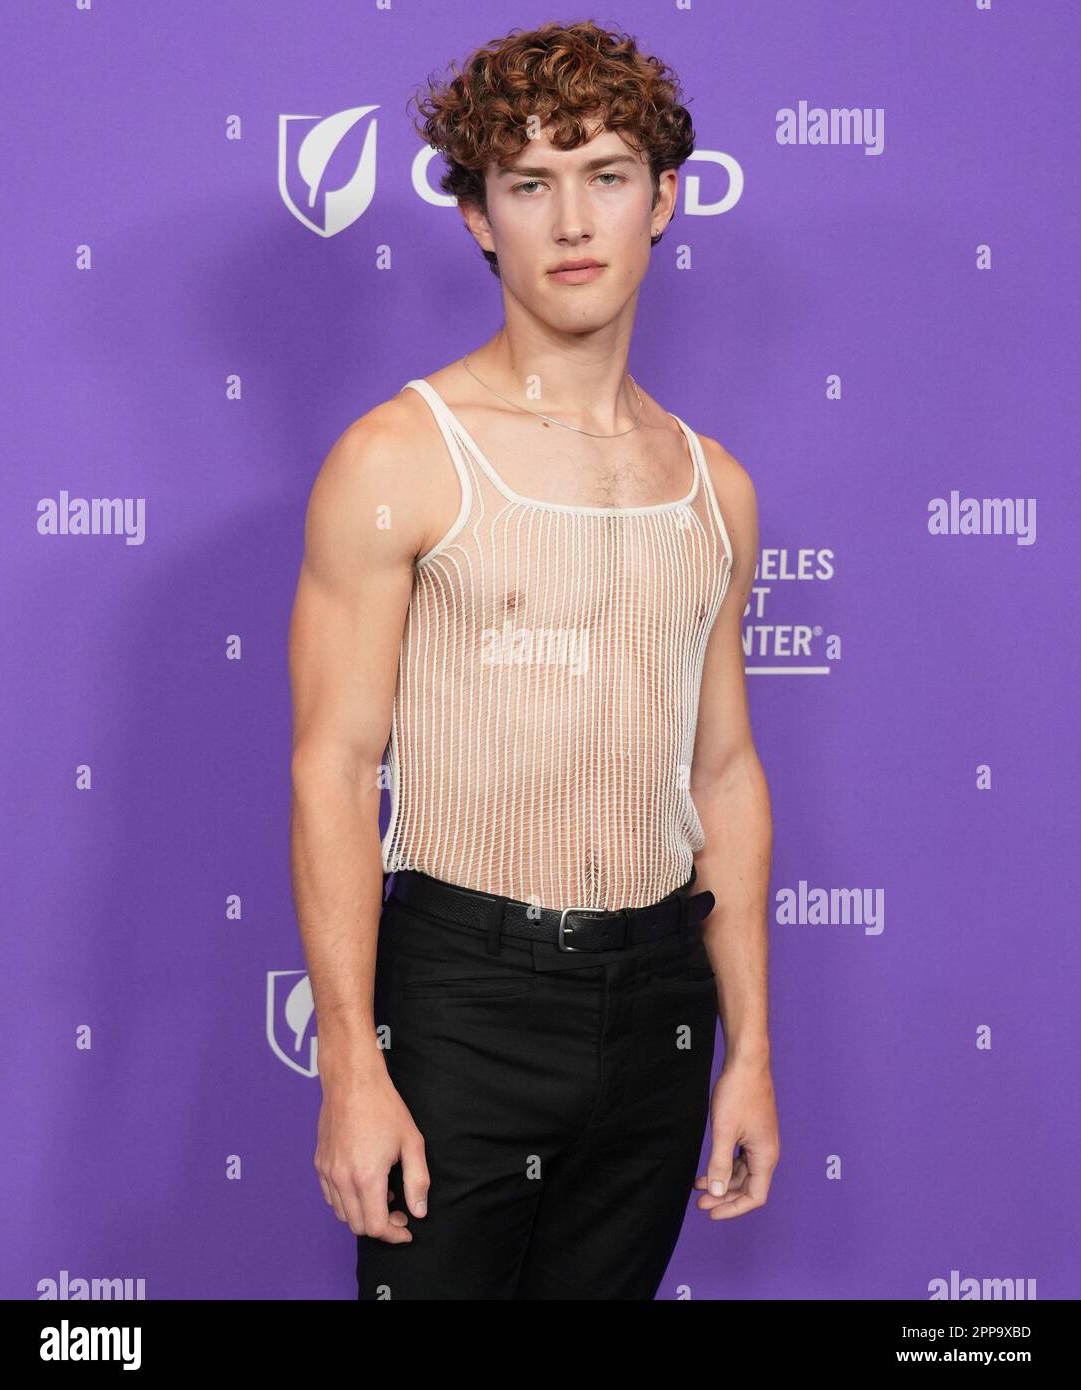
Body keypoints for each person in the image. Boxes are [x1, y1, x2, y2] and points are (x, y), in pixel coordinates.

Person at [287, 19, 777, 1300]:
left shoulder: (712, 484)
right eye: (527, 180)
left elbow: (720, 774)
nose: (570, 220)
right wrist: (351, 1063)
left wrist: (750, 1052)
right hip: (462, 1002)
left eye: (605, 174)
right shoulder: (398, 456)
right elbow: (333, 770)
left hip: (661, 997)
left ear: (663, 200)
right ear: (475, 217)